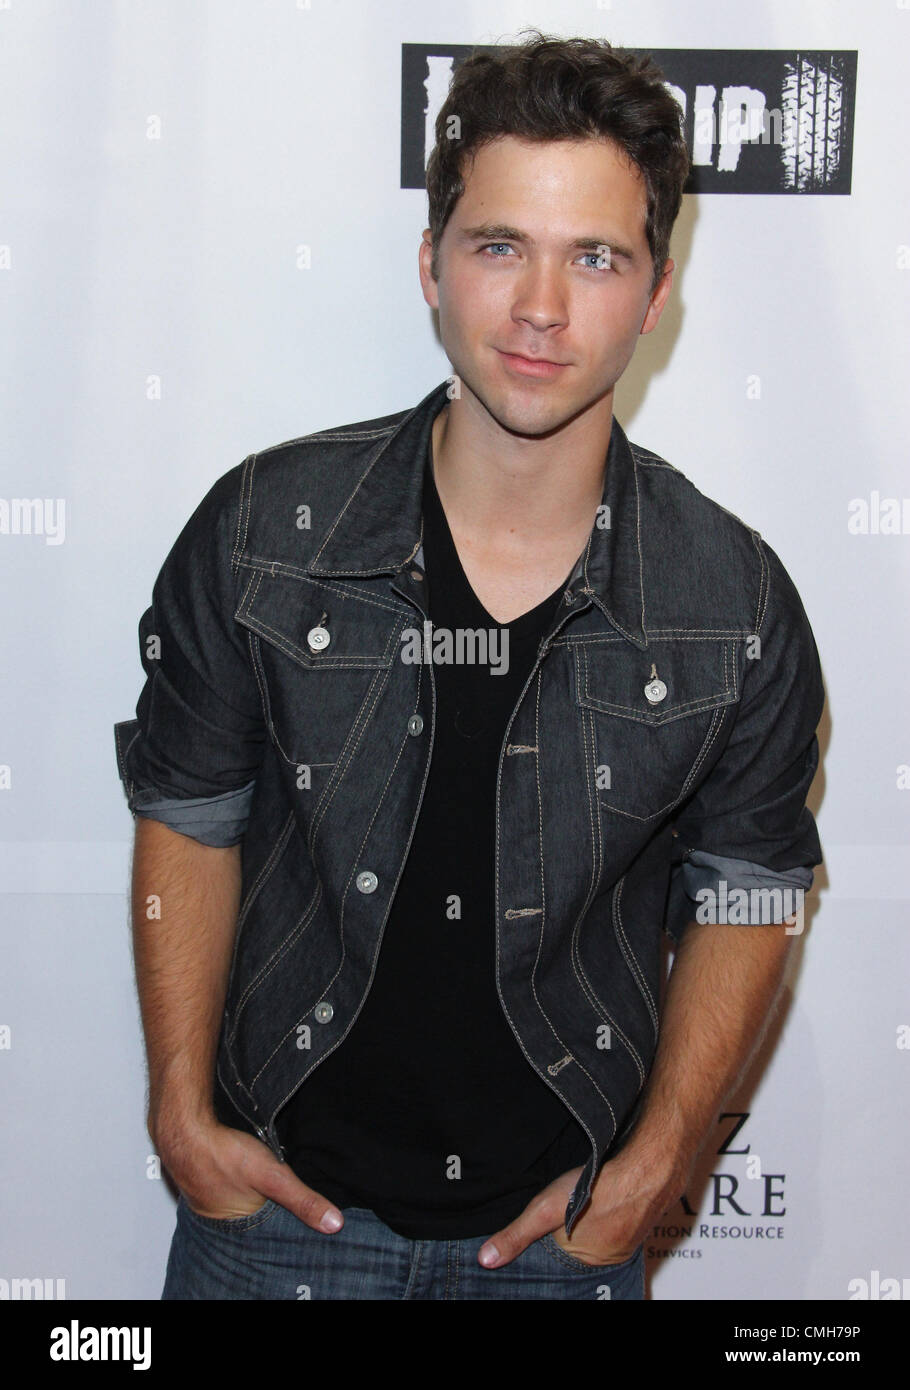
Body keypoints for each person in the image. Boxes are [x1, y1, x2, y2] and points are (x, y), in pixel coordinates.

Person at [113, 32, 824, 1301]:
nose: (542, 308)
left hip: (563, 1242)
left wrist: (655, 1165)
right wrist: (180, 1115)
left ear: (654, 292)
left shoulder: (735, 602)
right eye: (500, 246)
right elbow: (187, 814)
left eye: (594, 257)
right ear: (431, 264)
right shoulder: (265, 532)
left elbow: (754, 891)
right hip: (271, 1214)